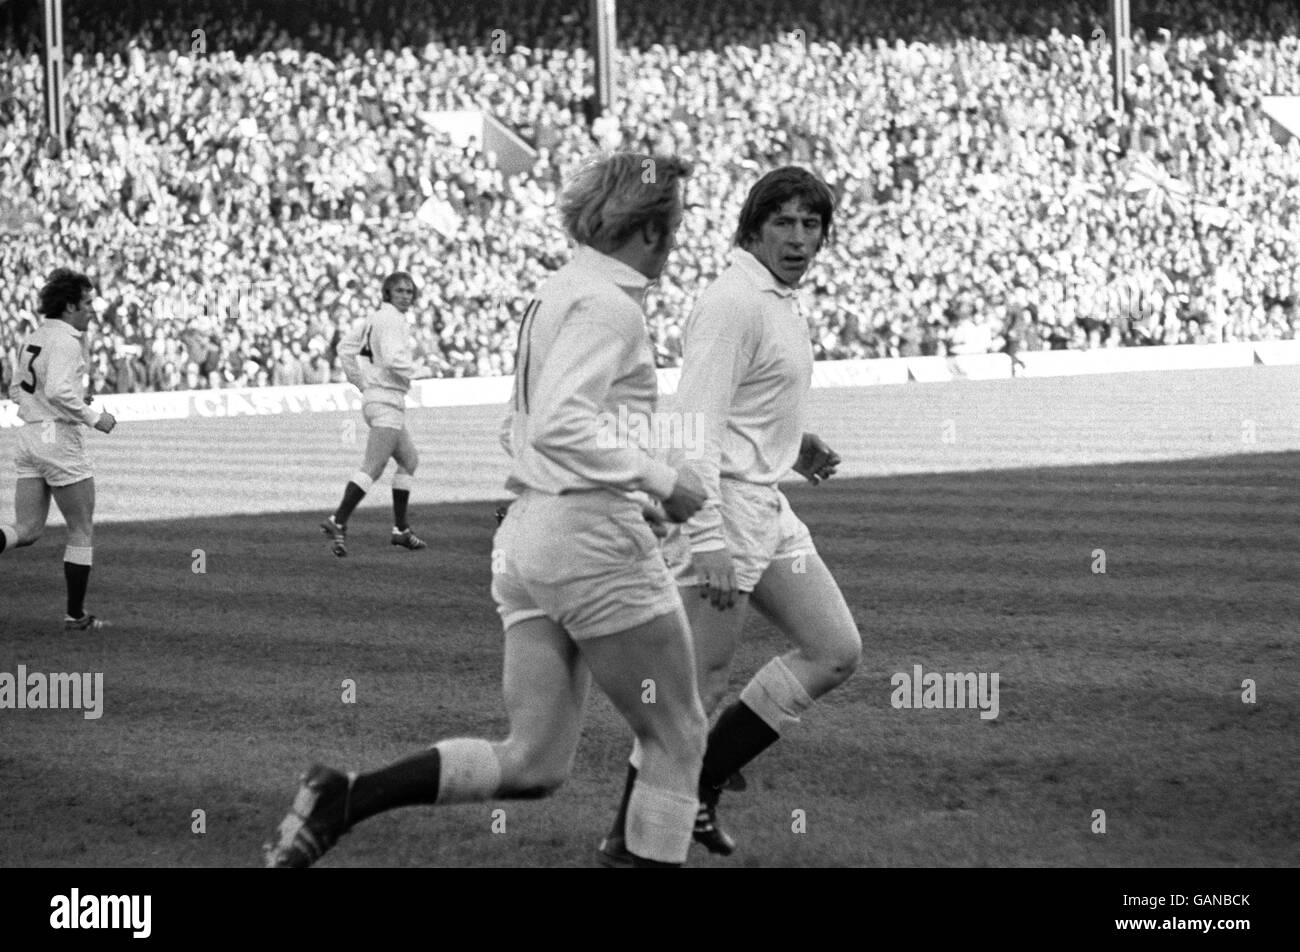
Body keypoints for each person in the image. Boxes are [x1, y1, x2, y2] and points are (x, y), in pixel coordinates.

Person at [265, 152, 711, 868]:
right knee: (679, 733)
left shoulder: (556, 293)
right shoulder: (611, 306)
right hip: (589, 539)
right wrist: (661, 482)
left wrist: (616, 487)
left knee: (535, 761)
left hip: (529, 539)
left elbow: (521, 425)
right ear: (652, 230)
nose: (676, 241)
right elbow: (561, 424)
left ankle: (342, 796)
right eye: (676, 226)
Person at [599, 166, 863, 862]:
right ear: (754, 227)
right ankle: (628, 845)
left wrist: (793, 445)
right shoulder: (734, 302)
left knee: (834, 651)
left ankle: (701, 787)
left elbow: (745, 402)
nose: (800, 239)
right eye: (785, 223)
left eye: (812, 225)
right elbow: (691, 426)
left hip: (765, 505)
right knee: (693, 693)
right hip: (724, 511)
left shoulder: (775, 297)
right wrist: (706, 536)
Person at [0, 269, 118, 630]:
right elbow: (58, 393)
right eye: (86, 303)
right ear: (69, 306)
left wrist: (56, 405)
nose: (91, 310)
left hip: (30, 435)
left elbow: (19, 391)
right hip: (59, 441)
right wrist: (93, 416)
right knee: (81, 528)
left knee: (28, 529)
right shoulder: (68, 340)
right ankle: (75, 615)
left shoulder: (34, 337)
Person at [320, 271, 432, 556]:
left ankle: (400, 530)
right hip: (386, 399)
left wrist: (362, 383)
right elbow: (395, 359)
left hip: (376, 397)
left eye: (409, 291)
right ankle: (338, 520)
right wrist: (419, 370)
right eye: (400, 291)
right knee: (373, 466)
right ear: (388, 294)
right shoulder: (393, 319)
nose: (406, 296)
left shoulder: (373, 318)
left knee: (409, 460)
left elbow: (345, 349)